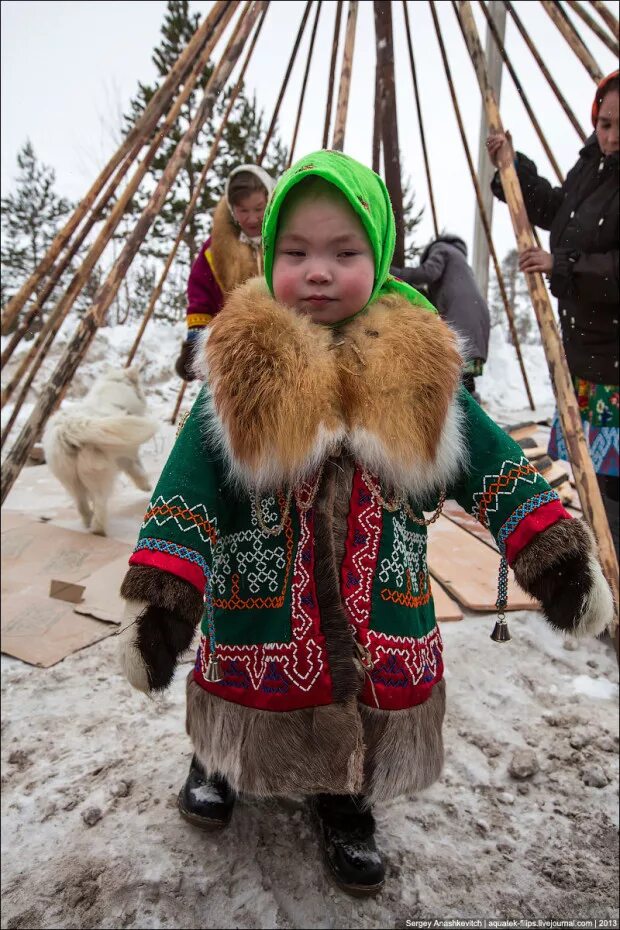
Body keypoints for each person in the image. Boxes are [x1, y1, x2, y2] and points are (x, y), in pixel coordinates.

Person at [118, 151, 613, 896]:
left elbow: (489, 460)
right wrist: (164, 600)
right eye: (296, 252)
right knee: (237, 684)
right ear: (271, 256)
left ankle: (343, 794)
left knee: (361, 699)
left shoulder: (418, 368)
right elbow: (187, 490)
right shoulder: (242, 364)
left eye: (343, 253)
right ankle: (218, 758)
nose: (317, 271)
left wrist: (549, 550)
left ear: (378, 257)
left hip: (379, 591)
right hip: (261, 600)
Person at [487, 69, 619, 554]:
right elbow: (558, 211)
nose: (612, 136)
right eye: (605, 123)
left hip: (617, 365)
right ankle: (609, 571)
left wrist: (561, 264)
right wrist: (513, 167)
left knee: (615, 491)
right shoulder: (593, 166)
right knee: (598, 482)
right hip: (588, 360)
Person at [174, 163, 275, 381]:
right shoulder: (215, 252)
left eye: (259, 208)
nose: (252, 218)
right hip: (233, 356)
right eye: (243, 211)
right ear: (231, 209)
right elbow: (200, 296)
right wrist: (195, 342)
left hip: (285, 347)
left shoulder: (288, 241)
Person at [391, 235, 491, 399]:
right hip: (476, 316)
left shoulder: (442, 248)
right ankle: (472, 415)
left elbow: (428, 273)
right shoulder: (460, 263)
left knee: (456, 375)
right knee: (464, 376)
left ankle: (469, 419)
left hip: (462, 316)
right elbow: (439, 297)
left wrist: (394, 273)